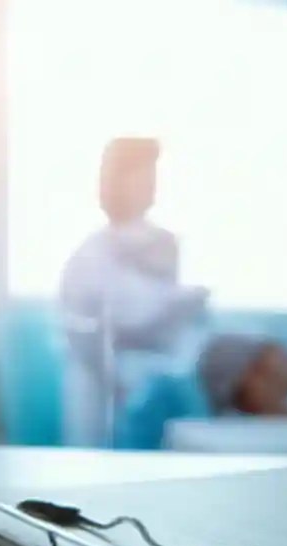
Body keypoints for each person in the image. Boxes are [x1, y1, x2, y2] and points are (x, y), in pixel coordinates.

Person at [59, 137, 207, 446]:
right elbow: (93, 322)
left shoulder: (164, 243)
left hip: (156, 364)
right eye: (140, 176)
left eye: (152, 176)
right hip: (104, 377)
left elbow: (165, 320)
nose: (149, 184)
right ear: (114, 180)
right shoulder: (91, 253)